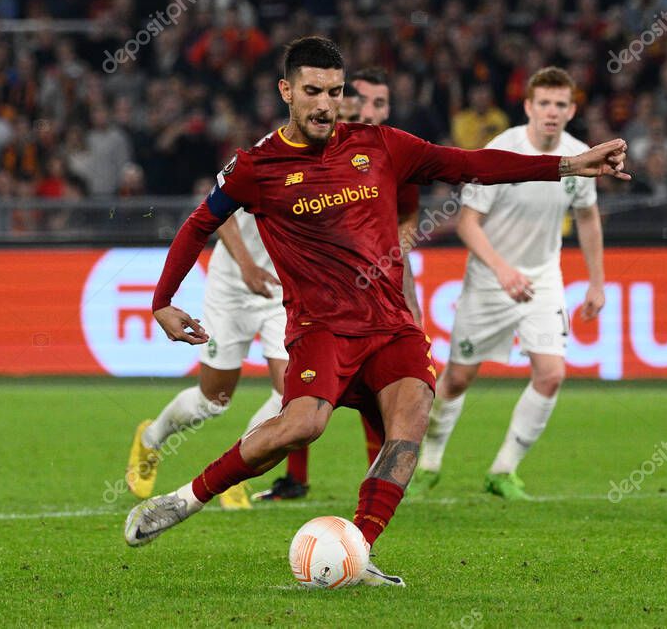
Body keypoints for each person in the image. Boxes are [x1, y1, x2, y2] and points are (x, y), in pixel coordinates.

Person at [123, 37, 628, 587]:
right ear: (286, 91)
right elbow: (200, 222)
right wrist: (163, 301)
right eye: (312, 91)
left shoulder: (381, 145)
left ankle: (357, 549)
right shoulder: (257, 166)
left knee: (410, 422)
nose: (324, 104)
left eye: (335, 93)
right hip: (322, 328)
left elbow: (470, 163)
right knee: (302, 426)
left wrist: (571, 164)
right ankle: (186, 498)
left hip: (390, 327)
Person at [409, 67, 607, 501]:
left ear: (571, 110)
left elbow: (588, 216)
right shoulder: (502, 151)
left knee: (551, 374)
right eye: (544, 104)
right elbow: (468, 222)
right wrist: (502, 270)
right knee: (458, 379)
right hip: (489, 281)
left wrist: (597, 281)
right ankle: (430, 460)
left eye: (560, 105)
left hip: (542, 280)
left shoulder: (578, 157)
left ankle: (503, 470)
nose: (552, 112)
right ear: (528, 107)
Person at [252, 66, 423, 501]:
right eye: (362, 101)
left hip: (373, 293)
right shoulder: (292, 150)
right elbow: (222, 208)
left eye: (381, 103)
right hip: (299, 288)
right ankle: (291, 476)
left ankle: (373, 485)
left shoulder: (392, 153)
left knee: (381, 391)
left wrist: (401, 280)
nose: (371, 111)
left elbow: (406, 219)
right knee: (294, 396)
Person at [125, 201, 288, 510]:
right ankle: (151, 439)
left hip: (279, 290)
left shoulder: (331, 165)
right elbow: (220, 211)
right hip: (231, 289)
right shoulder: (261, 158)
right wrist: (247, 265)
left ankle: (234, 474)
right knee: (214, 401)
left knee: (290, 394)